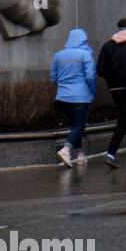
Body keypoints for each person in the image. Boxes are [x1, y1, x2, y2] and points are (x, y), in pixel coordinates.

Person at [96, 18, 126, 168]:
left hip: (114, 88)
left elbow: (100, 69)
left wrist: (111, 79)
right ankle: (111, 153)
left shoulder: (107, 46)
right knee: (125, 118)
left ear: (117, 28)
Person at [50, 28, 96, 167]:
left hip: (62, 97)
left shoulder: (57, 55)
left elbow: (53, 78)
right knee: (80, 125)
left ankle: (79, 155)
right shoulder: (85, 55)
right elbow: (90, 77)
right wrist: (92, 92)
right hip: (81, 96)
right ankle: (66, 149)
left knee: (74, 125)